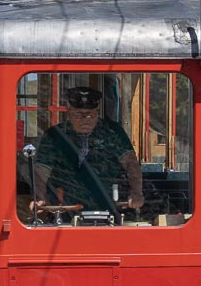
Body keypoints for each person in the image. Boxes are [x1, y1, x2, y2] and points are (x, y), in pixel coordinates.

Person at [27, 84, 143, 221]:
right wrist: (39, 197)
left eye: (91, 115)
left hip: (108, 204)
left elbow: (131, 163)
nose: (85, 120)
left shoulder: (112, 131)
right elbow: (41, 170)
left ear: (97, 112)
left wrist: (136, 192)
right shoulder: (55, 135)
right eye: (78, 115)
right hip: (67, 207)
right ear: (68, 113)